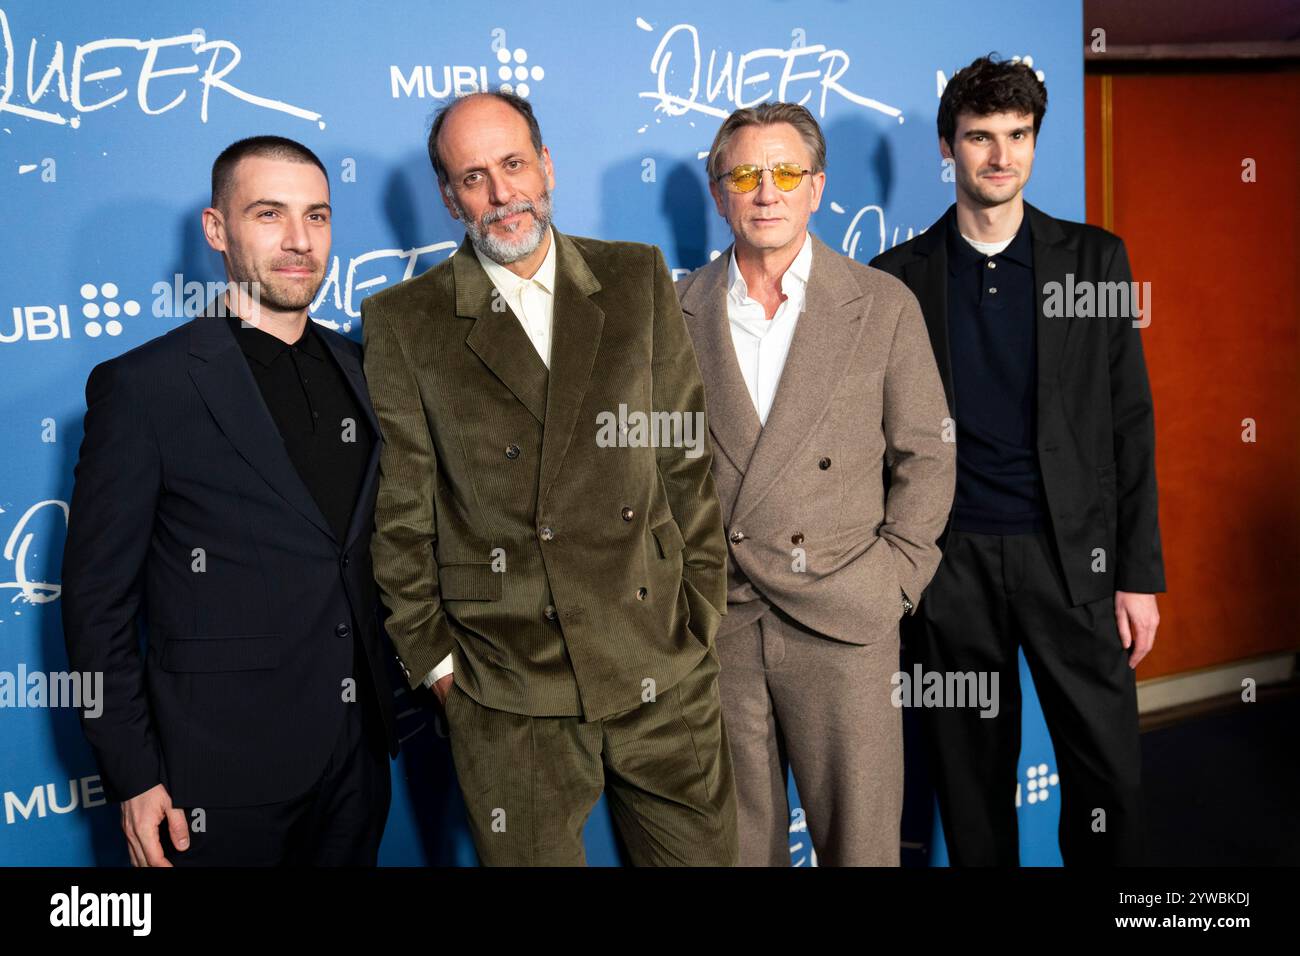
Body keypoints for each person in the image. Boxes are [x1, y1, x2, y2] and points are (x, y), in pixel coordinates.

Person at [361, 91, 738, 866]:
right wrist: (438, 672)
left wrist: (700, 610)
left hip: (660, 663)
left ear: (546, 166)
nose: (502, 195)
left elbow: (683, 456)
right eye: (474, 177)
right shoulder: (406, 320)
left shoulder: (634, 276)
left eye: (513, 164)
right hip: (507, 690)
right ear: (448, 196)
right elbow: (403, 519)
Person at [61, 136, 396, 866]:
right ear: (217, 229)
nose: (299, 241)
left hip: (358, 765)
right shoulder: (145, 388)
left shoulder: (367, 369)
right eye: (270, 214)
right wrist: (133, 775)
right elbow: (96, 602)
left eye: (318, 216)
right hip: (212, 782)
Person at [870, 55, 1164, 865]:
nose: (1000, 155)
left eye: (1018, 136)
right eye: (980, 137)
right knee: (970, 785)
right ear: (948, 146)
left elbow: (1130, 426)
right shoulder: (898, 280)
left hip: (1076, 563)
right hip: (951, 566)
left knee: (1108, 780)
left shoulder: (1095, 261)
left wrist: (1137, 574)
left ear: (1035, 143)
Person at [675, 102, 955, 865]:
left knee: (861, 848)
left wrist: (894, 580)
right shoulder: (675, 311)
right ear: (719, 190)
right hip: (723, 626)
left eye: (787, 172)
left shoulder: (884, 305)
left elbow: (928, 455)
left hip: (845, 622)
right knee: (737, 851)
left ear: (818, 187)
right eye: (746, 174)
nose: (767, 191)